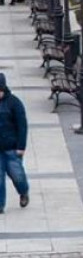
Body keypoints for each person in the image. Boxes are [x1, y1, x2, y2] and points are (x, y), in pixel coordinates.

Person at [0, 72, 28, 213]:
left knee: (18, 176)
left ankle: (23, 192)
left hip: (12, 148)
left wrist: (21, 147)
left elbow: (22, 126)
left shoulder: (14, 103)